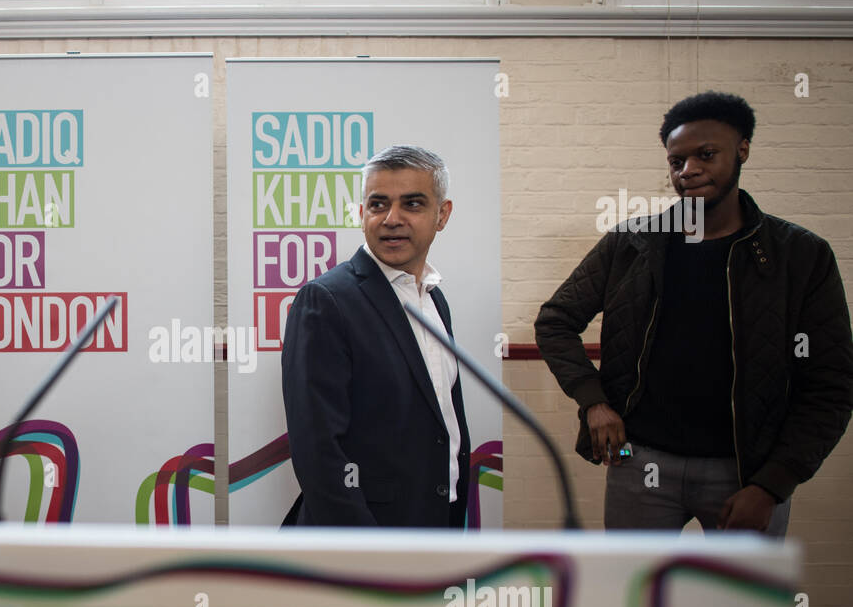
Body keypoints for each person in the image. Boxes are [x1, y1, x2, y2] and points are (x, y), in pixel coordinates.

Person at [535, 90, 853, 535]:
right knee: (634, 599)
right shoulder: (633, 243)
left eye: (706, 154)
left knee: (741, 606)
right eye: (676, 161)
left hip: (747, 474)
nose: (689, 171)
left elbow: (832, 383)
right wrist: (594, 402)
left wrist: (773, 484)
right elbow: (555, 321)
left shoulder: (800, 255)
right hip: (637, 460)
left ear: (742, 149)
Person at [281, 144, 470, 528]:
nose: (391, 219)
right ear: (362, 211)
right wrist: (367, 550)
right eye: (378, 204)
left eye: (412, 204)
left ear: (442, 214)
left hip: (439, 522)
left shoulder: (435, 300)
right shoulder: (327, 300)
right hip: (368, 539)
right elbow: (318, 452)